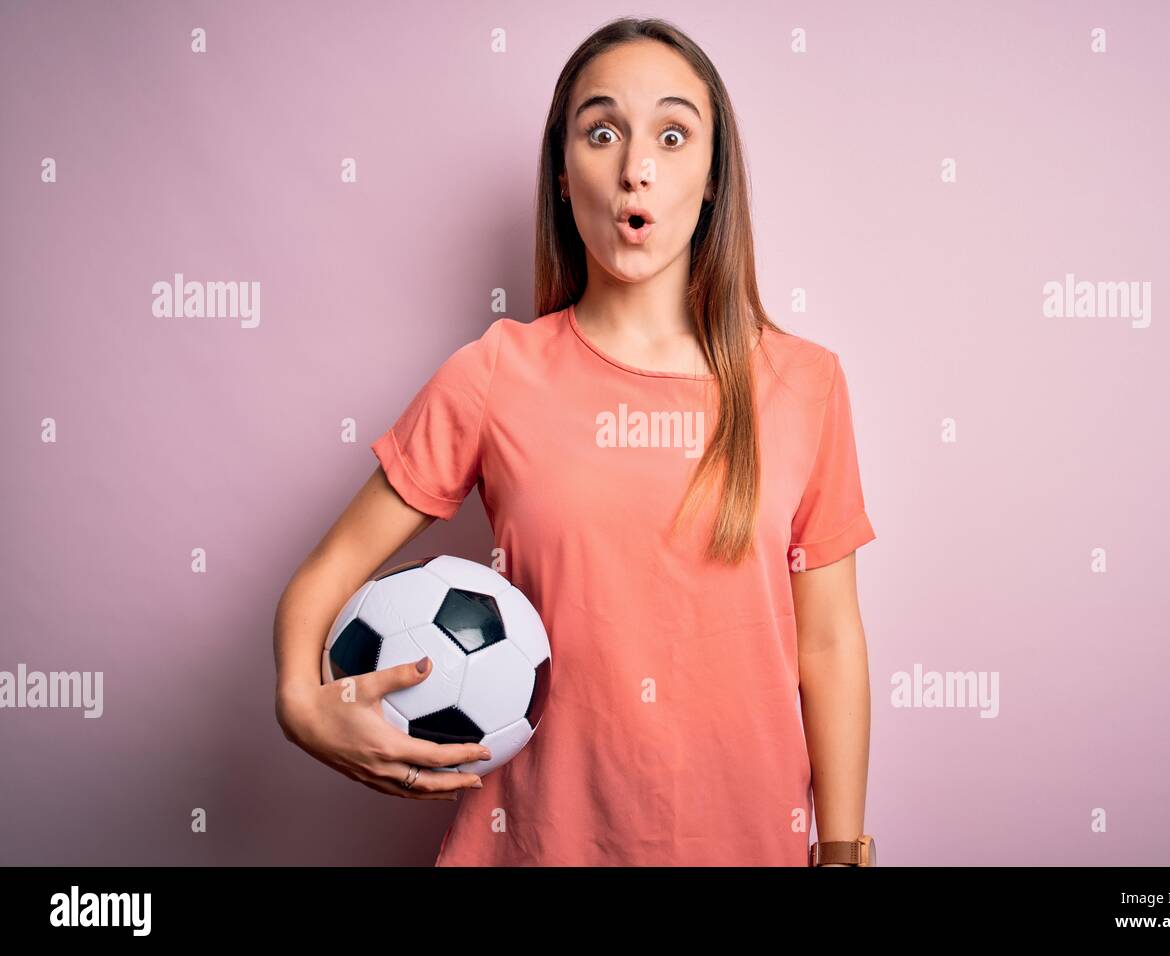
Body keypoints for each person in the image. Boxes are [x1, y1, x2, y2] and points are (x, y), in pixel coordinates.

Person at [274, 17, 877, 866]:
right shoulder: (495, 374)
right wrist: (302, 707)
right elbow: (324, 578)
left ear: (711, 181)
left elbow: (830, 642)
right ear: (563, 177)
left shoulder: (805, 383)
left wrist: (844, 853)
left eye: (673, 135)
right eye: (603, 132)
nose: (637, 165)